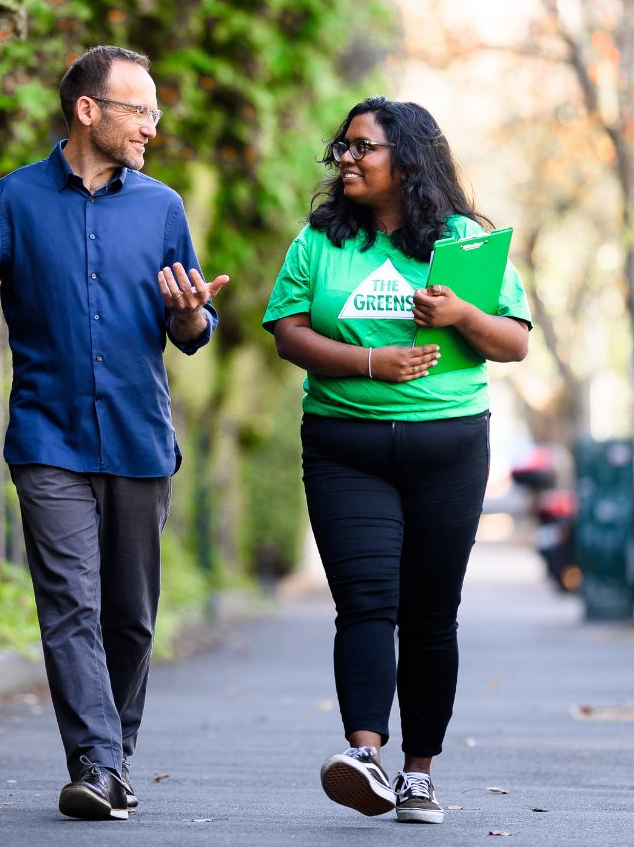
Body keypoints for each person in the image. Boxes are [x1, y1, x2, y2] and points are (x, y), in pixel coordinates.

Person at [0, 45, 226, 821]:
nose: (152, 127)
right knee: (70, 605)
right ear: (87, 110)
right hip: (48, 439)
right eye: (139, 111)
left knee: (130, 617)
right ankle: (96, 765)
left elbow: (194, 326)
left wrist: (188, 315)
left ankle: (116, 760)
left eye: (154, 112)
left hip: (139, 438)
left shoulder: (163, 208)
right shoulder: (13, 200)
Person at [261, 96, 530, 825]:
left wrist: (462, 316)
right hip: (345, 446)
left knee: (431, 614)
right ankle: (365, 758)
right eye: (343, 148)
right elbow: (287, 332)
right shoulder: (320, 241)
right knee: (365, 603)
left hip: (449, 448)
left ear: (407, 160)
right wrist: (370, 362)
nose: (345, 159)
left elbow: (513, 342)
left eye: (363, 148)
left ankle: (419, 774)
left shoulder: (464, 242)